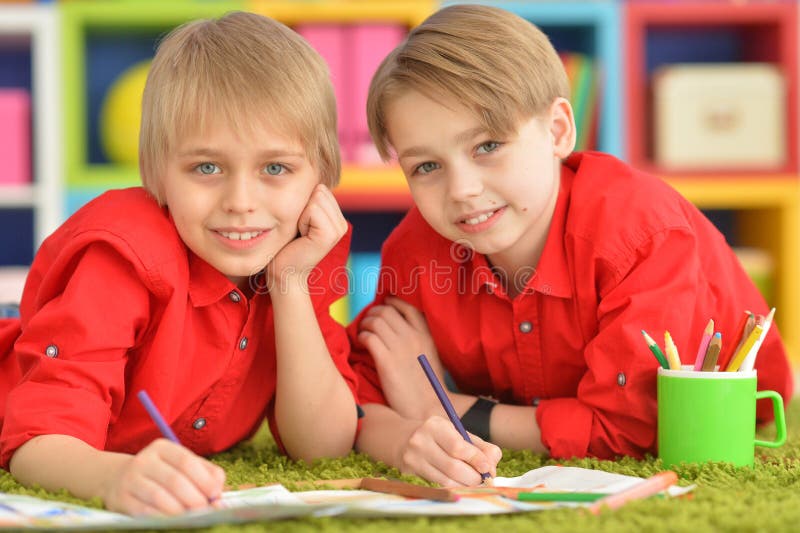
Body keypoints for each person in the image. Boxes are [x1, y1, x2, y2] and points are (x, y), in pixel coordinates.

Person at [349, 4, 794, 487]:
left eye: (488, 146)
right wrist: (402, 435)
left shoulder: (640, 232)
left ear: (558, 130)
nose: (462, 190)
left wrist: (448, 410)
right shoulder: (417, 250)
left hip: (738, 421)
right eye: (426, 167)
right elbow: (356, 391)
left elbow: (630, 429)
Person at [0, 12, 359, 516]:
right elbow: (38, 439)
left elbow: (323, 447)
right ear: (159, 172)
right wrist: (114, 477)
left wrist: (291, 284)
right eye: (206, 167)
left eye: (275, 167)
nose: (240, 202)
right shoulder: (122, 259)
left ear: (321, 175)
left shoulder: (302, 254)